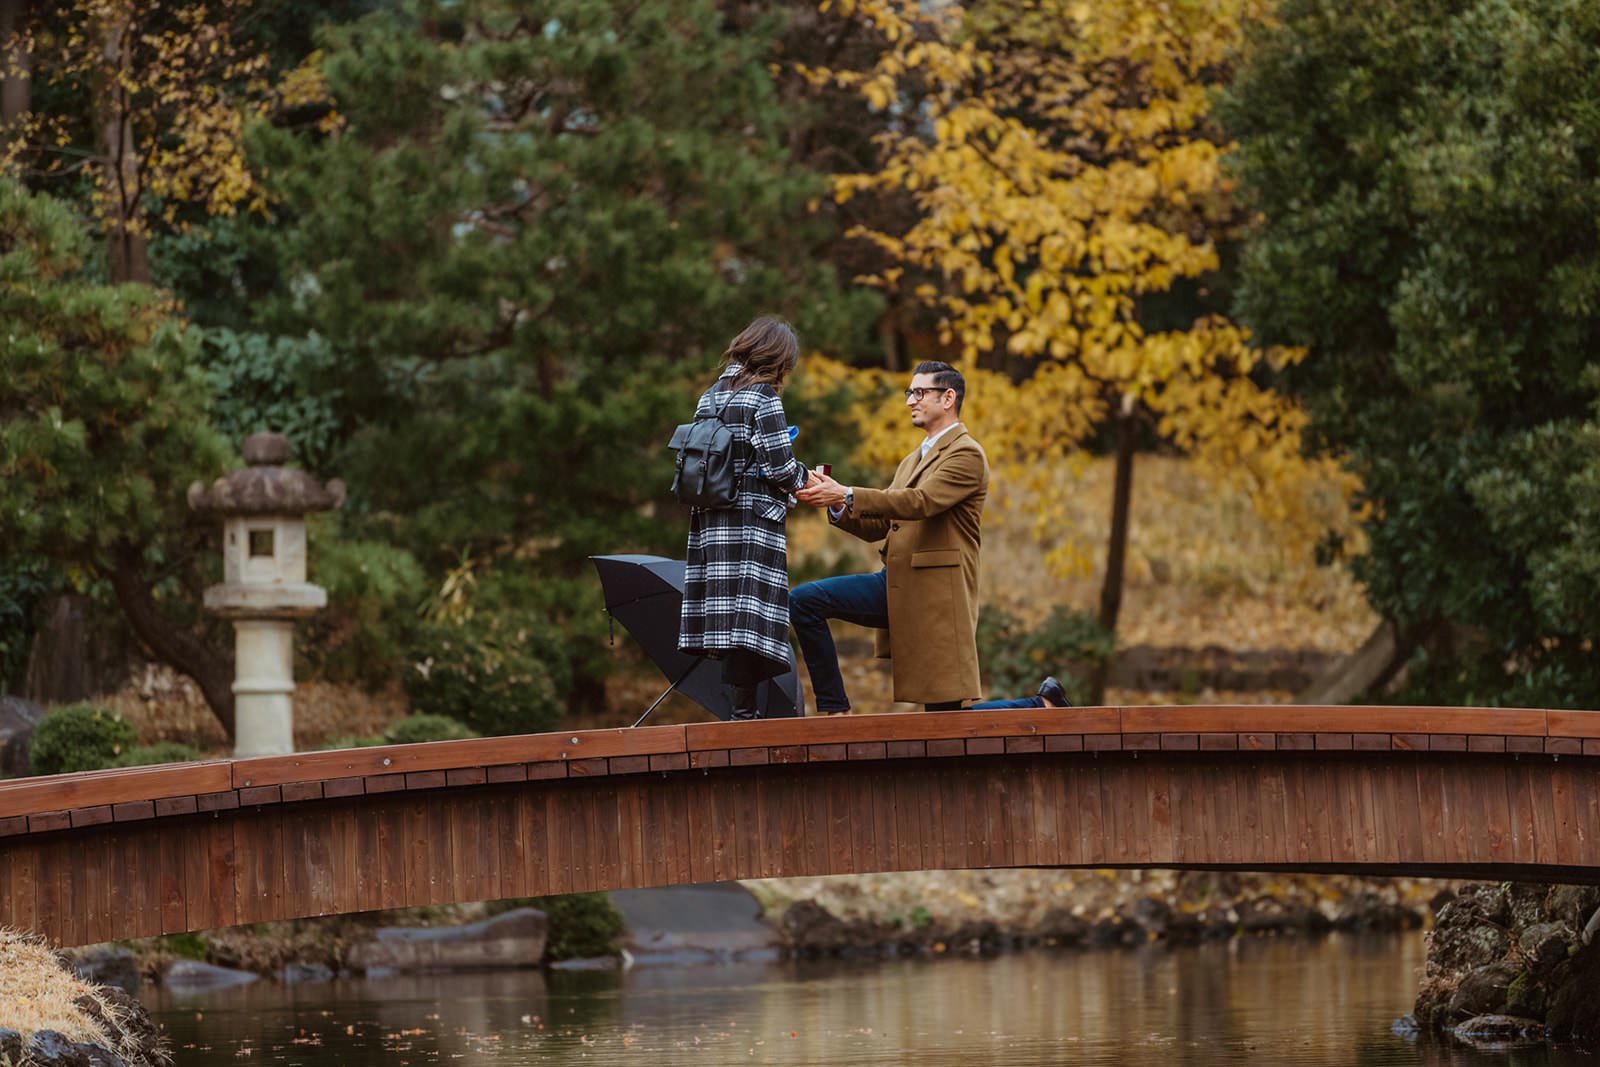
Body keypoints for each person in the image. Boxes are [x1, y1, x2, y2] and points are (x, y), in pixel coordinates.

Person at [792, 360, 1066, 713]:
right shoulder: (911, 460)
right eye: (910, 392)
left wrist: (846, 493)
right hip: (895, 585)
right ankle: (835, 708)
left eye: (920, 392)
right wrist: (835, 504)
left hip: (937, 597)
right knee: (803, 602)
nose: (910, 401)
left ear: (948, 397)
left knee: (947, 723)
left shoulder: (967, 454)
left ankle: (1039, 706)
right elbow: (881, 522)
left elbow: (920, 503)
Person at [678, 316, 817, 720]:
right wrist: (811, 480)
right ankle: (744, 716)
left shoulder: (709, 397)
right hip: (751, 522)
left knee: (730, 618)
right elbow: (780, 468)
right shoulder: (763, 398)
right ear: (778, 357)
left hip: (711, 520)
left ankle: (741, 712)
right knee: (751, 618)